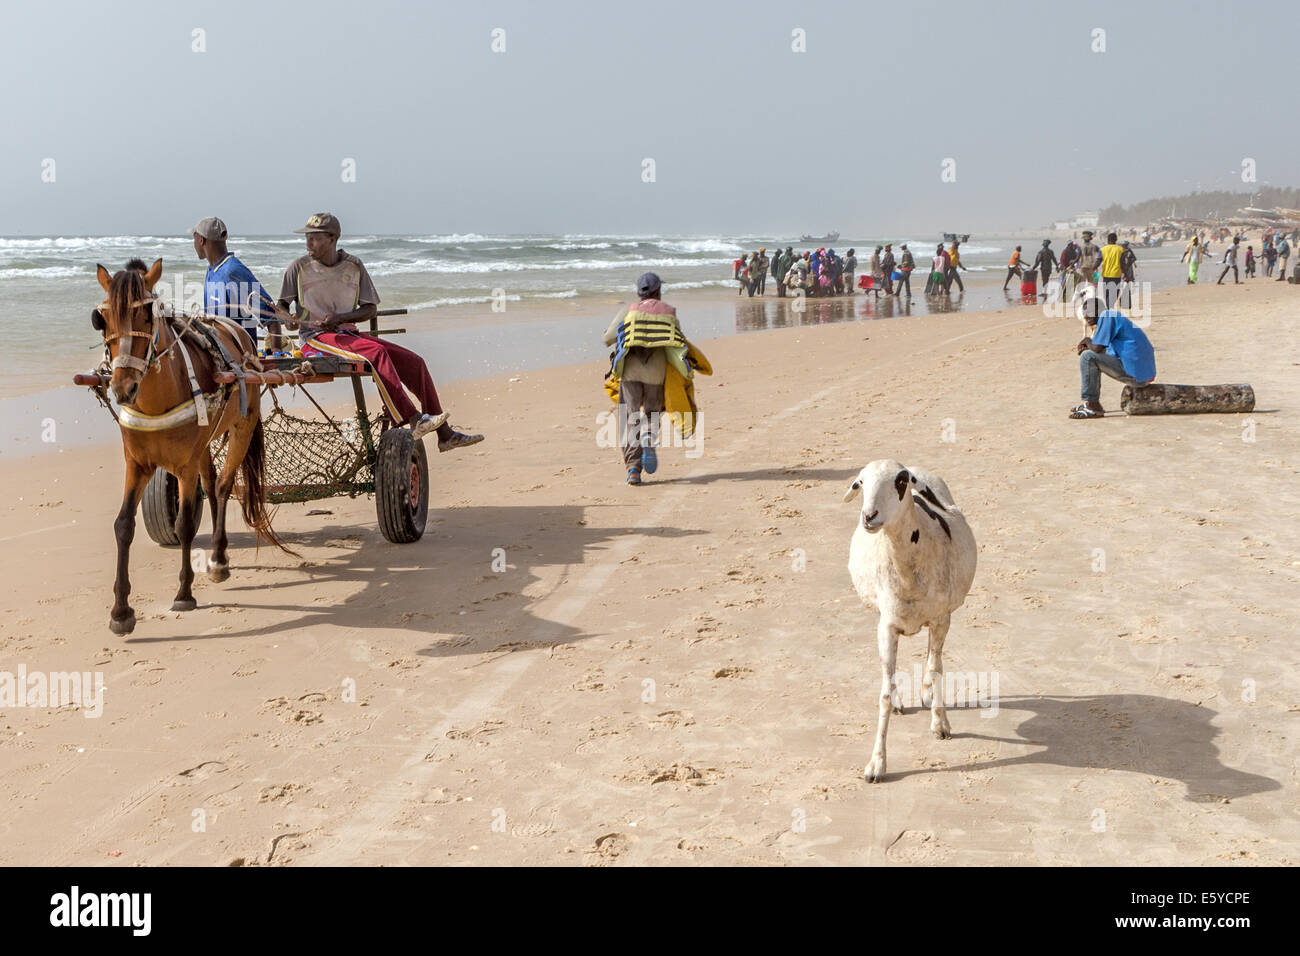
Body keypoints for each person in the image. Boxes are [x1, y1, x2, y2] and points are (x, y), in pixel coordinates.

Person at [274, 212, 482, 450]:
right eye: (307, 237)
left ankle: (445, 435)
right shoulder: (298, 267)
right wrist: (287, 320)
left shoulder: (354, 265)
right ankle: (413, 419)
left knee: (415, 362)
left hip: (347, 335)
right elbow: (282, 306)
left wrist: (340, 318)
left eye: (315, 238)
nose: (308, 243)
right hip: (316, 338)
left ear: (332, 238)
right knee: (375, 352)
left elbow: (370, 309)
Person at [602, 272, 684, 485]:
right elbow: (677, 341)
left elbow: (607, 338)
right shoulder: (669, 312)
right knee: (651, 414)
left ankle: (633, 470)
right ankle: (648, 436)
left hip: (630, 371)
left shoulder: (628, 310)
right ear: (659, 290)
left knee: (630, 417)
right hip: (656, 373)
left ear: (639, 292)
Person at [190, 216, 277, 348]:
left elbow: (271, 317)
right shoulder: (211, 271)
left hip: (241, 357)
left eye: (194, 239)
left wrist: (276, 354)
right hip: (220, 352)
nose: (194, 244)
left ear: (201, 240)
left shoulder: (232, 272)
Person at [1069, 297, 1156, 419]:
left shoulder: (1107, 316)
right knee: (1091, 354)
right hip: (1143, 374)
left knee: (1087, 357)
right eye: (1084, 313)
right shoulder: (1111, 317)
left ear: (1100, 310)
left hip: (1137, 376)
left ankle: (1093, 405)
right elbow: (1100, 348)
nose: (1086, 316)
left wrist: (1087, 341)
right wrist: (1089, 345)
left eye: (1089, 312)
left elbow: (1097, 348)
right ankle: (1091, 403)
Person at [1098, 232, 1124, 308]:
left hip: (1106, 275)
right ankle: (1110, 306)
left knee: (1106, 293)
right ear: (1116, 240)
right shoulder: (1120, 249)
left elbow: (1098, 261)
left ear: (1107, 240)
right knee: (1115, 292)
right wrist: (1127, 274)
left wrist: (1093, 268)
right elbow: (1123, 263)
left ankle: (1108, 306)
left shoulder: (1102, 249)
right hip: (1116, 274)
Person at [1119, 240, 1137, 308]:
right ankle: (1124, 302)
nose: (1125, 246)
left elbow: (1134, 259)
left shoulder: (1129, 251)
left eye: (1126, 245)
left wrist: (1129, 263)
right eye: (1124, 245)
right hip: (1123, 271)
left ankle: (1126, 303)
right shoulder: (1121, 251)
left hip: (1127, 271)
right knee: (1124, 287)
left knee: (1125, 286)